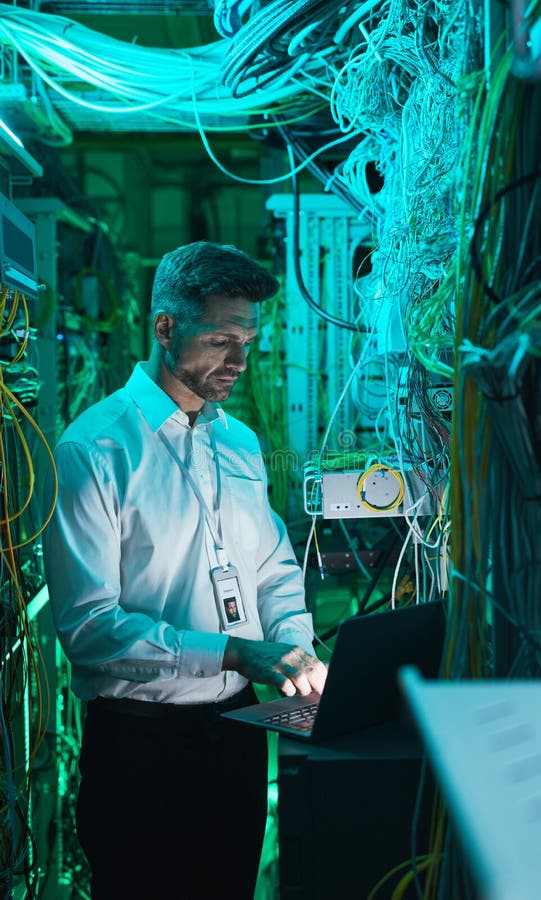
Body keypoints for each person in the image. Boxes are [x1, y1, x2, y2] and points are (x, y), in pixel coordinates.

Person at [42, 241, 328, 900]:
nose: (239, 361)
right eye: (222, 339)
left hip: (237, 737)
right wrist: (235, 652)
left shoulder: (241, 441)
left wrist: (295, 654)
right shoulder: (96, 449)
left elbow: (274, 574)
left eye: (248, 340)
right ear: (165, 327)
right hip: (142, 749)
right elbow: (90, 627)